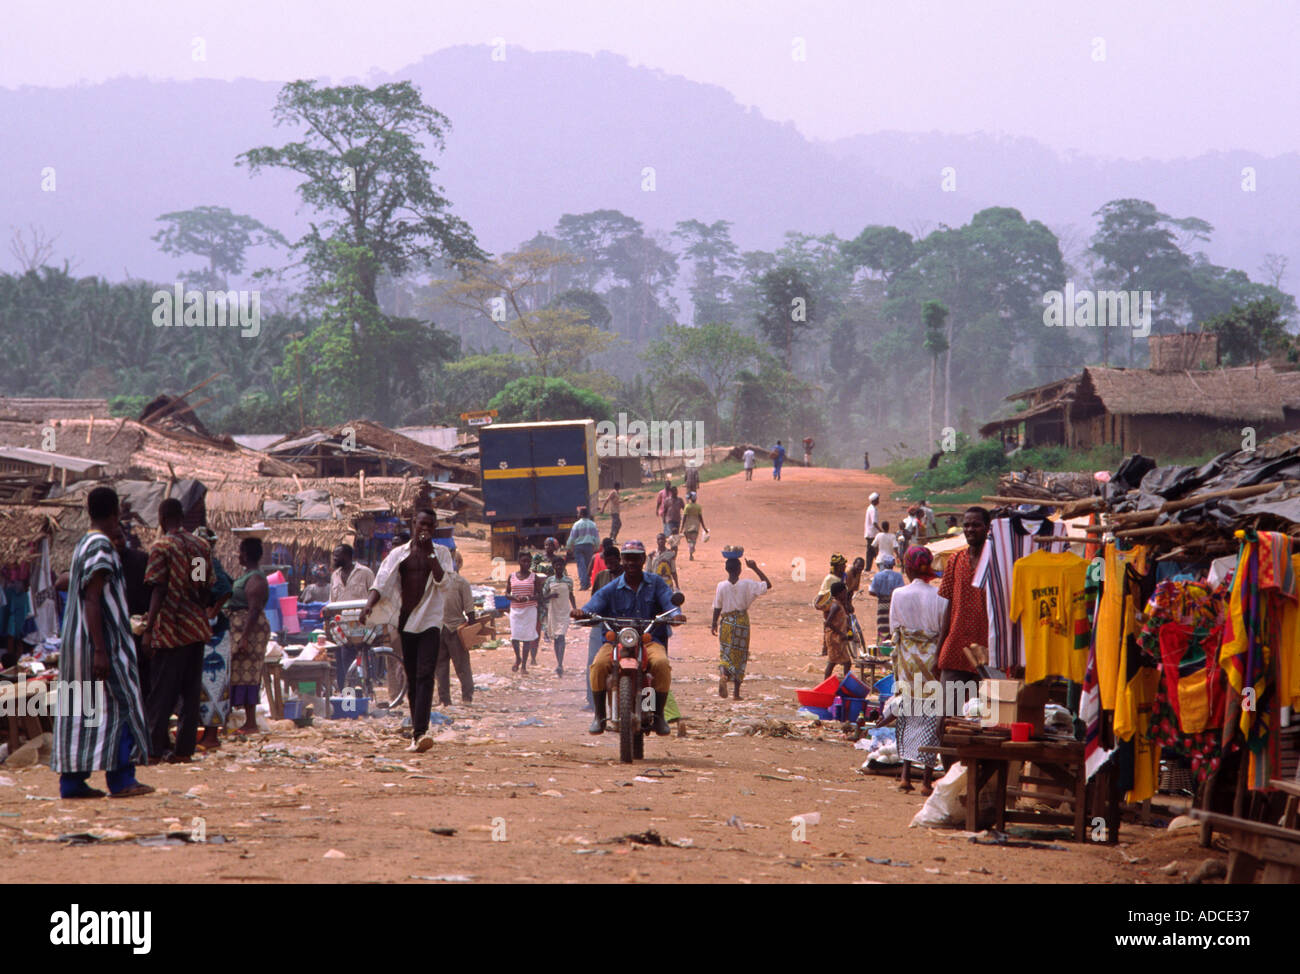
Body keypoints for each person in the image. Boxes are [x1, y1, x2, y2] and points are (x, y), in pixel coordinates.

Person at [51, 486, 153, 798]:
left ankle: (72, 782)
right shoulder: (102, 547)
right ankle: (121, 779)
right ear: (115, 513)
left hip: (75, 643)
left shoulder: (83, 543)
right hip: (99, 643)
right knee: (119, 704)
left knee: (79, 710)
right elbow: (93, 598)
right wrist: (100, 650)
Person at [361, 509, 457, 753]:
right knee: (412, 677)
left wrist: (430, 554)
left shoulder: (442, 553)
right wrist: (368, 606)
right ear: (413, 524)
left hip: (430, 620)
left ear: (434, 529)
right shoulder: (398, 554)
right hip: (405, 621)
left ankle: (421, 731)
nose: (425, 529)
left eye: (429, 526)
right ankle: (417, 730)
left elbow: (444, 584)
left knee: (426, 674)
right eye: (421, 524)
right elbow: (381, 581)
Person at [575, 539, 682, 736]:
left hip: (649, 640)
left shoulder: (656, 583)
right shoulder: (611, 588)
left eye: (636, 559)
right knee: (597, 666)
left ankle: (658, 717)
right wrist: (583, 613)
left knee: (661, 664)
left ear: (643, 559)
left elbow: (670, 601)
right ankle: (599, 716)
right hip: (616, 640)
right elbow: (593, 605)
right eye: (627, 559)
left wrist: (675, 615)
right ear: (622, 561)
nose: (631, 563)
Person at [142, 498, 212, 763]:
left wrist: (149, 629)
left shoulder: (161, 547)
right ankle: (184, 750)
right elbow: (202, 588)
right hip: (195, 628)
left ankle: (154, 749)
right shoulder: (199, 546)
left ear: (162, 517)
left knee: (162, 692)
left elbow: (158, 587)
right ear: (182, 516)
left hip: (170, 629)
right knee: (190, 693)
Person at [890, 546, 948, 794]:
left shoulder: (898, 594)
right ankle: (925, 780)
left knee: (908, 714)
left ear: (908, 566)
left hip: (907, 664)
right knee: (932, 717)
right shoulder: (940, 597)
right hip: (933, 663)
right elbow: (942, 631)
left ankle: (905, 775)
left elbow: (894, 630)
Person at [936, 508, 991, 719]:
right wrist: (939, 650)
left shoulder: (997, 561)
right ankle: (947, 753)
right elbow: (948, 608)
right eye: (966, 525)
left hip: (987, 652)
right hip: (955, 649)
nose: (970, 529)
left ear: (987, 527)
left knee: (984, 718)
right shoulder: (955, 561)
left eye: (975, 524)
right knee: (946, 716)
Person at [711, 556, 771, 700]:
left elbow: (717, 606)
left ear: (726, 569)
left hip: (726, 622)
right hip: (742, 623)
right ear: (740, 569)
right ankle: (736, 694)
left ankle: (723, 675)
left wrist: (714, 623)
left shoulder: (721, 586)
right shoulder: (747, 584)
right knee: (740, 656)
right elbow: (767, 584)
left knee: (725, 654)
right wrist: (755, 568)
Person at [226, 538, 269, 736]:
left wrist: (244, 637)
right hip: (241, 628)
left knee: (249, 673)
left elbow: (254, 609)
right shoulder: (246, 576)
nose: (238, 555)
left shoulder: (256, 579)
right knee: (238, 671)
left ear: (246, 554)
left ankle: (250, 723)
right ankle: (243, 720)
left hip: (250, 630)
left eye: (240, 552)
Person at [194, 525, 232, 752]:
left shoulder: (203, 562)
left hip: (213, 635)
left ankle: (211, 736)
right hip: (209, 632)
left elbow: (225, 589)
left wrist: (211, 612)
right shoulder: (201, 563)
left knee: (213, 684)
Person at [328, 543, 375, 691]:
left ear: (348, 556)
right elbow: (332, 602)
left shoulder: (365, 573)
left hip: (363, 624)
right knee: (344, 660)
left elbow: (375, 596)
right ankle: (347, 694)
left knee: (365, 660)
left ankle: (365, 690)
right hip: (343, 626)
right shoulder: (334, 576)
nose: (334, 558)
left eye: (337, 555)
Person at [581, 547, 622, 711]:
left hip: (623, 626)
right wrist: (588, 617)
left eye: (613, 561)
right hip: (601, 624)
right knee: (593, 662)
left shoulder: (627, 577)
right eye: (607, 562)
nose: (610, 564)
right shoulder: (601, 576)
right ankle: (593, 702)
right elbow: (594, 601)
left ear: (619, 560)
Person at [436, 562, 476, 706]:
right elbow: (470, 611)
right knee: (461, 666)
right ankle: (466, 697)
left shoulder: (435, 582)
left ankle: (445, 699)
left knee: (441, 667)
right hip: (454, 628)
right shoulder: (461, 582)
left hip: (444, 628)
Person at [541, 554, 577, 677]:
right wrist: (550, 596)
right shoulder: (549, 581)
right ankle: (559, 662)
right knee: (557, 637)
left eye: (561, 565)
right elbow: (543, 596)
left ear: (563, 566)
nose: (558, 567)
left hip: (564, 611)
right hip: (553, 611)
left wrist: (575, 608)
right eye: (556, 565)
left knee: (561, 635)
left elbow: (571, 595)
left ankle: (560, 664)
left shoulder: (568, 581)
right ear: (553, 567)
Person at [505, 551, 540, 672]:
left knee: (527, 638)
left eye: (528, 561)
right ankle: (518, 658)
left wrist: (528, 598)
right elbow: (506, 594)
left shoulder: (534, 577)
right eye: (524, 561)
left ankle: (524, 665)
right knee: (515, 637)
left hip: (530, 610)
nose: (526, 564)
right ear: (519, 562)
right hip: (515, 610)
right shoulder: (512, 576)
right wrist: (515, 598)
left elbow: (539, 595)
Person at [868, 554, 905, 645]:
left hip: (882, 603)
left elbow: (871, 591)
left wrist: (879, 595)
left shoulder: (878, 576)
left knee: (882, 624)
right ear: (893, 565)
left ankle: (882, 646)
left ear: (883, 564)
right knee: (894, 624)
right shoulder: (898, 576)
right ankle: (894, 645)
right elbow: (901, 590)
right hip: (894, 603)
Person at [823, 582, 853, 680]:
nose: (845, 595)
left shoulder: (840, 605)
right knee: (833, 662)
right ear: (839, 593)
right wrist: (840, 633)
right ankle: (826, 683)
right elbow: (827, 623)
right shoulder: (835, 606)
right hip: (834, 638)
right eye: (844, 593)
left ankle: (845, 681)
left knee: (843, 662)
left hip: (838, 638)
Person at [568, 507, 600, 591]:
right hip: (589, 546)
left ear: (581, 514)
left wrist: (569, 547)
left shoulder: (576, 524)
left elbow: (572, 538)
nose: (577, 515)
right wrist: (597, 547)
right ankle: (587, 582)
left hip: (578, 547)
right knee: (588, 566)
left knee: (581, 566)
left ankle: (584, 584)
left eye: (578, 513)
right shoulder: (592, 524)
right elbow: (596, 537)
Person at [680, 491, 709, 560]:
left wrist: (681, 527)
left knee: (689, 540)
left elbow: (684, 517)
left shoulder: (687, 506)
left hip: (687, 525)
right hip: (696, 525)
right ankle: (691, 551)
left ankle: (691, 550)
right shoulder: (698, 507)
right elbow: (700, 517)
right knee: (693, 540)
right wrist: (704, 527)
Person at [864, 492, 881, 568]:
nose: (878, 501)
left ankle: (869, 567)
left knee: (871, 551)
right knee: (873, 551)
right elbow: (874, 522)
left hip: (870, 533)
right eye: (877, 499)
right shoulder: (873, 510)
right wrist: (881, 530)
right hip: (872, 533)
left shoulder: (870, 508)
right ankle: (874, 566)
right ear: (874, 500)